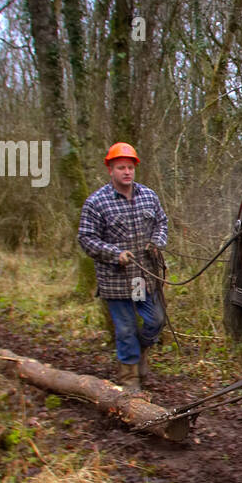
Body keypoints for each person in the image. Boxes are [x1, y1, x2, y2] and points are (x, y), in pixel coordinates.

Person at [77, 142, 168, 391]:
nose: (126, 172)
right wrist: (115, 254)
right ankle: (130, 377)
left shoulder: (148, 196)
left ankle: (141, 353)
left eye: (130, 167)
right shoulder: (96, 203)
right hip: (116, 281)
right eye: (121, 168)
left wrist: (157, 242)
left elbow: (162, 222)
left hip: (142, 279)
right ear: (110, 169)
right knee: (126, 328)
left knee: (155, 320)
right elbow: (86, 239)